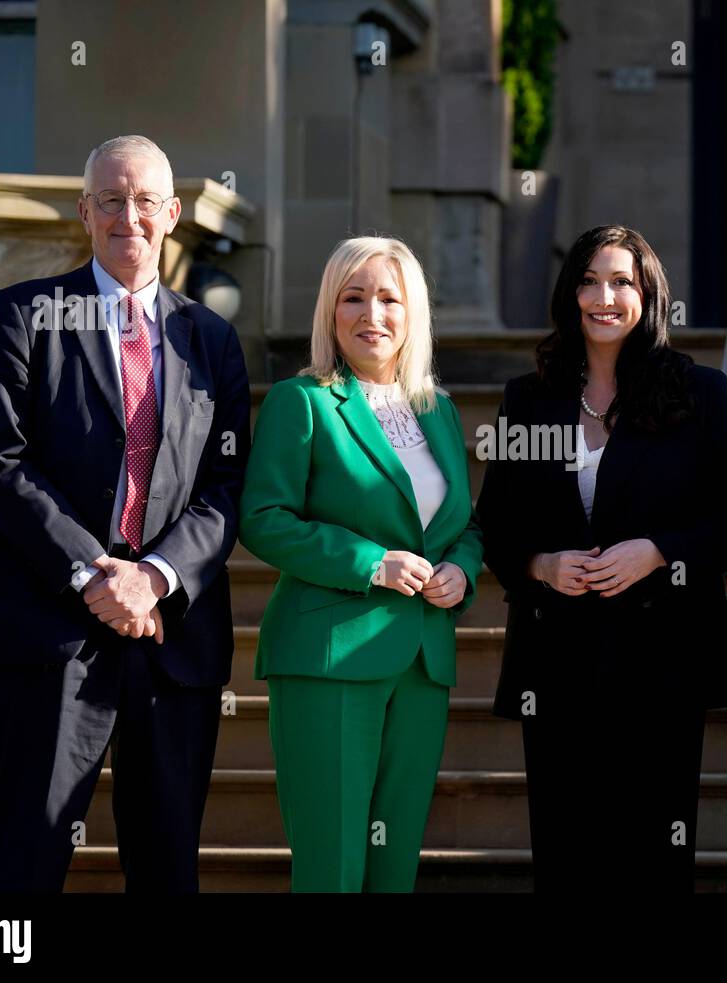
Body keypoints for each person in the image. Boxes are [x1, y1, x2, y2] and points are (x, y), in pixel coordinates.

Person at [0, 134, 252, 891]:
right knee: (26, 858)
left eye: (145, 201)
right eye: (112, 200)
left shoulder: (213, 341)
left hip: (172, 637)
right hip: (48, 629)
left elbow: (226, 484)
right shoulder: (24, 314)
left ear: (173, 214)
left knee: (166, 866)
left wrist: (153, 579)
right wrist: (95, 574)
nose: (130, 216)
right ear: (84, 211)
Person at [476, 225, 727, 891]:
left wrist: (659, 551)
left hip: (662, 662)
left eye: (621, 281)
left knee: (653, 859)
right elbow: (496, 523)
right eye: (589, 280)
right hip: (557, 663)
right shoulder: (529, 398)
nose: (604, 296)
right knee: (567, 856)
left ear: (647, 294)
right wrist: (541, 564)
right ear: (570, 292)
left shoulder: (700, 393)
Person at [239, 236, 482, 892]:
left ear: (413, 314)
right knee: (333, 862)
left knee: (392, 861)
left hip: (423, 658)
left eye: (387, 298)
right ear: (330, 312)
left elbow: (463, 525)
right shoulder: (304, 401)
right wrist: (371, 562)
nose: (370, 312)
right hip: (330, 655)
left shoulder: (440, 410)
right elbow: (263, 519)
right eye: (353, 297)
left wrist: (462, 571)